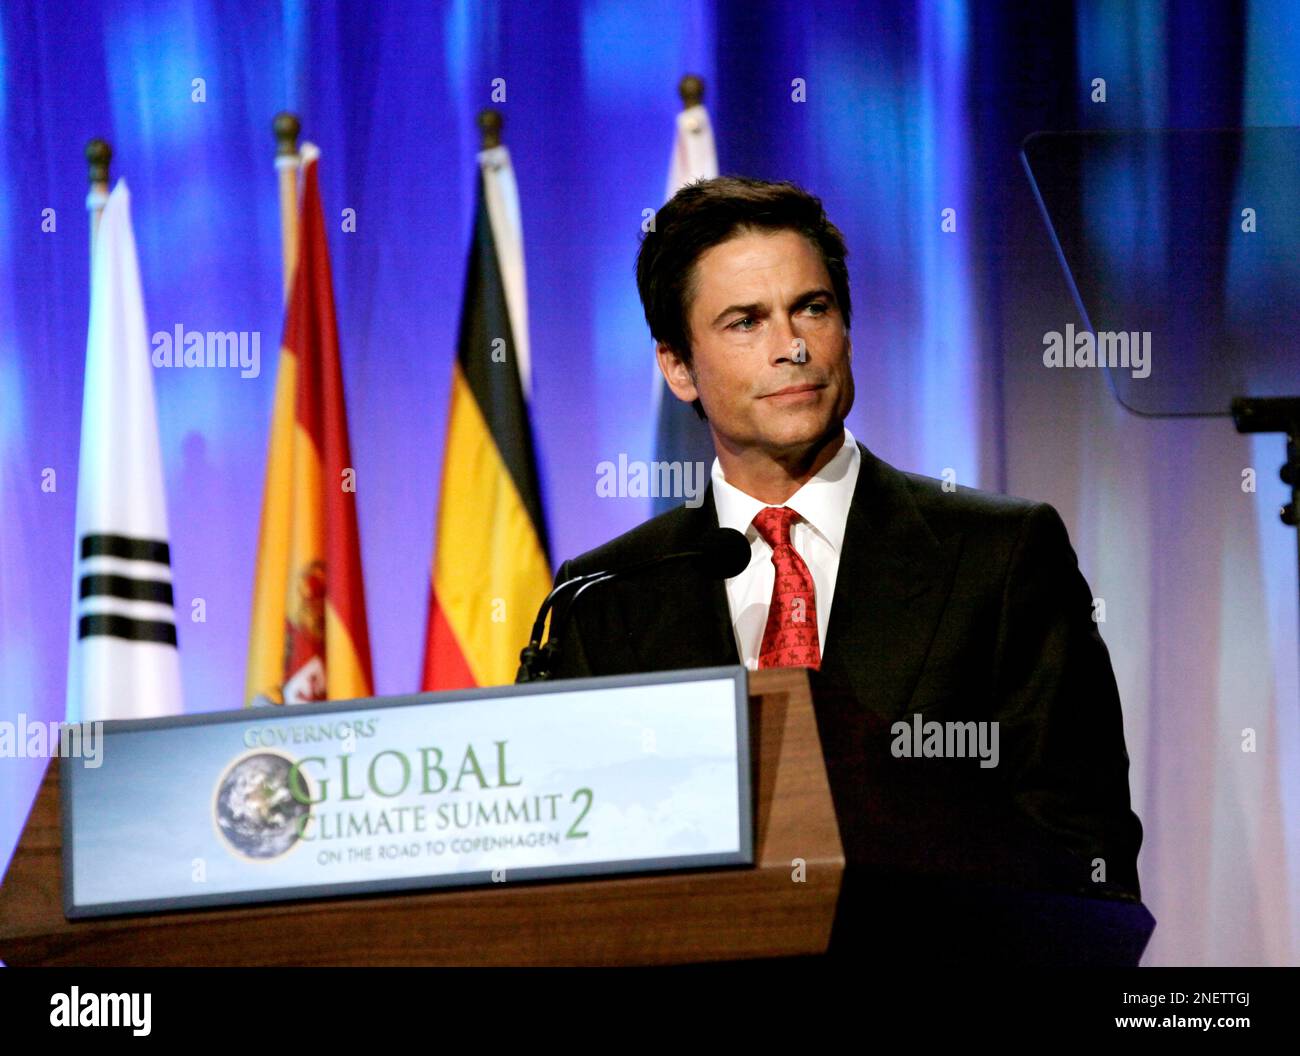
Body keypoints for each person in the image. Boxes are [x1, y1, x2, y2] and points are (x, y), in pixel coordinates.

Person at [546, 176, 1144, 947]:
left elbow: (1086, 856)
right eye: (745, 321)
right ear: (678, 368)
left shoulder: (1000, 557)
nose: (791, 345)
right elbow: (572, 877)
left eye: (813, 309)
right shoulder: (605, 597)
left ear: (847, 330)